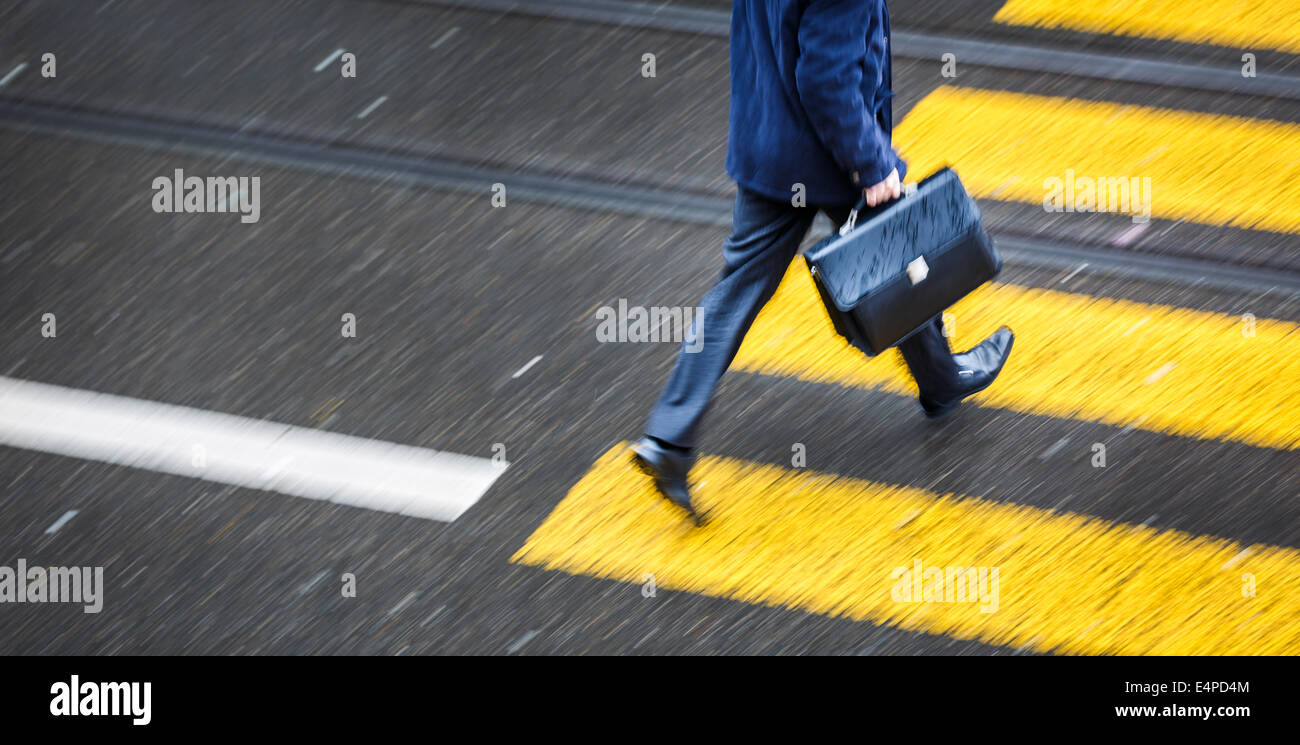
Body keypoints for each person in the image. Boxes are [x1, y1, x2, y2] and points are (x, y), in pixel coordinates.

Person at [632, 0, 1014, 523]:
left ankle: (668, 437)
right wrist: (873, 165)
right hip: (831, 155)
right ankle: (942, 379)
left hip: (767, 144)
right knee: (897, 259)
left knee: (740, 285)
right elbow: (824, 79)